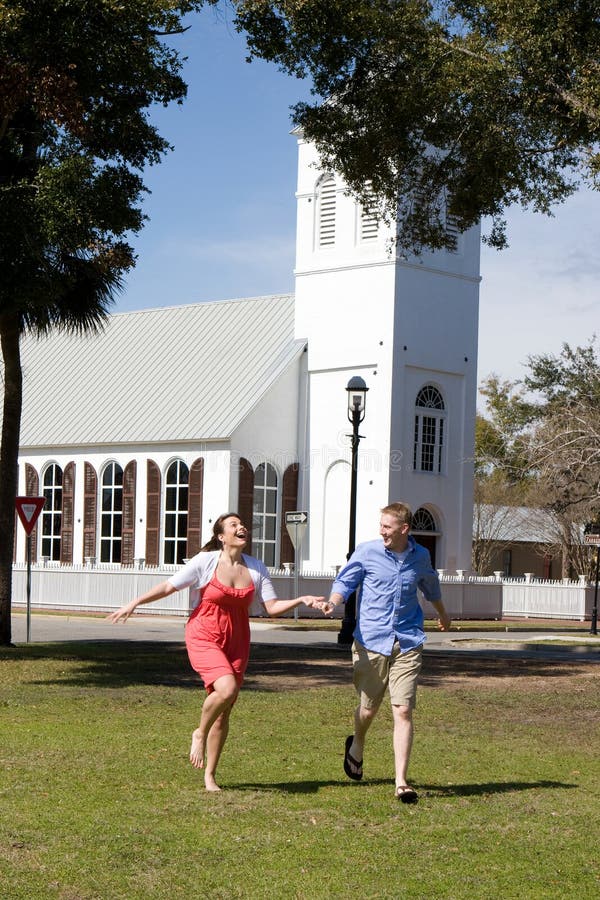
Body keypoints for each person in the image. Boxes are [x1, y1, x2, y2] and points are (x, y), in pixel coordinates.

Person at [107, 512, 326, 792]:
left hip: (237, 639)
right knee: (226, 688)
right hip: (204, 633)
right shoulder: (206, 561)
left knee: (224, 709)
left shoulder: (256, 568)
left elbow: (271, 608)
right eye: (234, 524)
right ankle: (199, 732)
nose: (241, 527)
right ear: (222, 536)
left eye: (242, 524)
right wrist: (135, 602)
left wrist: (302, 599)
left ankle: (210, 776)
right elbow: (169, 586)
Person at [323, 502, 451, 804]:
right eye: (381, 526)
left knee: (403, 709)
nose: (382, 531)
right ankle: (357, 743)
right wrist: (333, 601)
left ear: (404, 529)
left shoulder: (421, 556)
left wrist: (443, 614)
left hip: (407, 641)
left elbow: (430, 586)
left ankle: (401, 782)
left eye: (387, 527)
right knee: (368, 709)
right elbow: (346, 581)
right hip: (371, 642)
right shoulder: (368, 552)